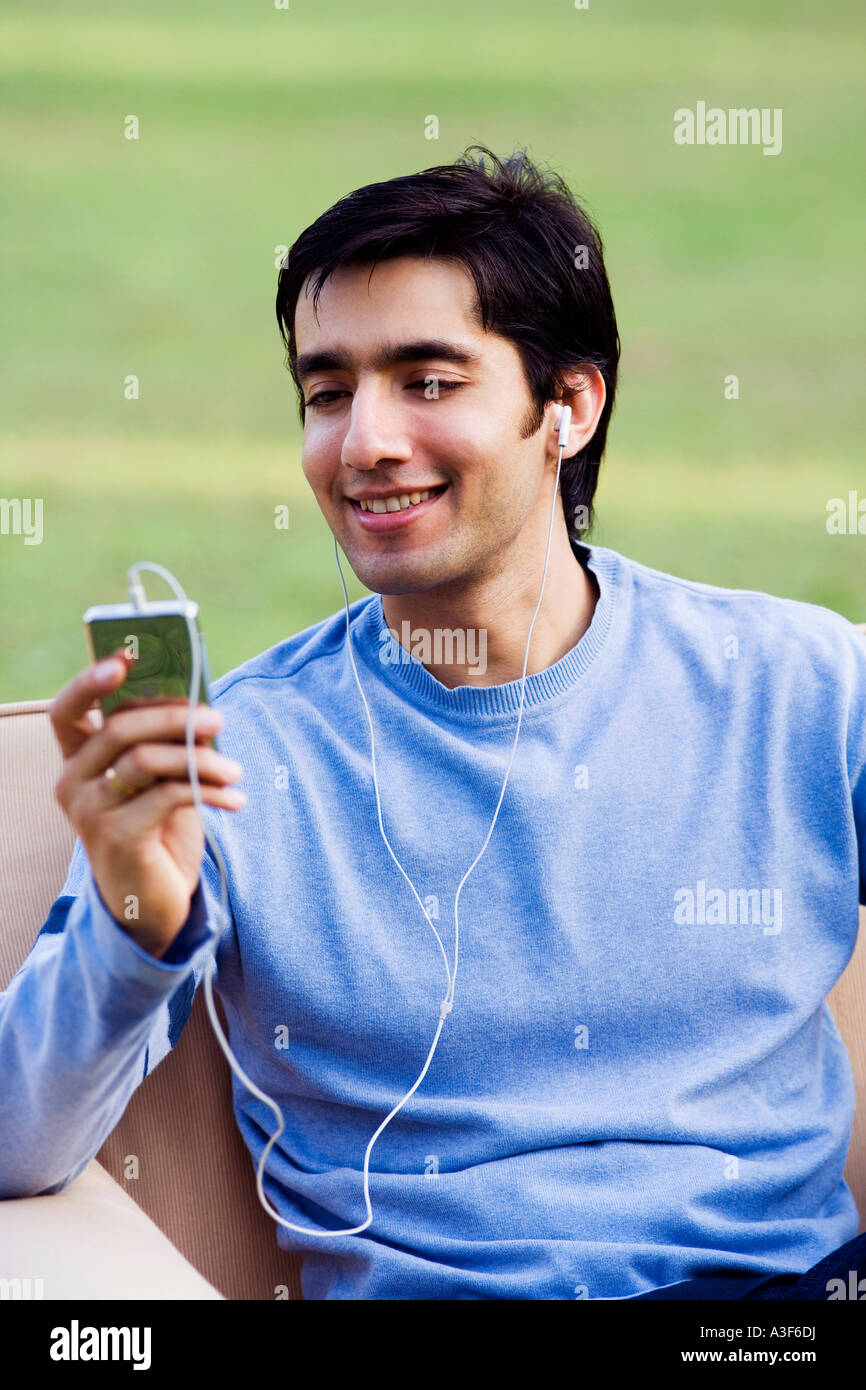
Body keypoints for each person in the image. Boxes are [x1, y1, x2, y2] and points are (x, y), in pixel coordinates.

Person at [2, 146, 864, 1301]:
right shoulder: (240, 754)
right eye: (326, 392)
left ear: (567, 406)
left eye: (426, 379)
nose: (362, 443)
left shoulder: (800, 685)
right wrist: (134, 923)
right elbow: (16, 1141)